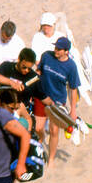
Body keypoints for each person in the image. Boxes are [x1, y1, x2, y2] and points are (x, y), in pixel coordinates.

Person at [37, 37, 82, 166]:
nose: (55, 50)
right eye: (55, 47)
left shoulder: (71, 66)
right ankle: (40, 141)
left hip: (57, 102)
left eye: (58, 49)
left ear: (66, 51)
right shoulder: (46, 56)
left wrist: (73, 110)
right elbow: (38, 72)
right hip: (41, 96)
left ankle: (51, 159)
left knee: (54, 131)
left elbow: (73, 89)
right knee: (38, 128)